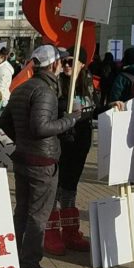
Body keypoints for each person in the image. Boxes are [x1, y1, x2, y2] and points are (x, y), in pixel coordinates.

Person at [0, 45, 85, 268]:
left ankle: (14, 257)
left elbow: (6, 121)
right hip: (41, 161)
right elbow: (41, 127)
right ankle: (29, 263)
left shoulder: (21, 88)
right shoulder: (44, 91)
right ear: (54, 64)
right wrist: (70, 120)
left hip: (25, 157)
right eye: (60, 61)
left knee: (23, 211)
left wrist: (21, 139)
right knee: (38, 215)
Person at [44, 48, 103, 255]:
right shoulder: (55, 85)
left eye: (71, 62)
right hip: (61, 143)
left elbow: (94, 110)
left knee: (70, 187)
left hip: (81, 142)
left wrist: (112, 105)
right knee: (56, 188)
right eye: (64, 61)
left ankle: (70, 232)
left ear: (82, 64)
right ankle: (50, 233)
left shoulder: (89, 84)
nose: (66, 65)